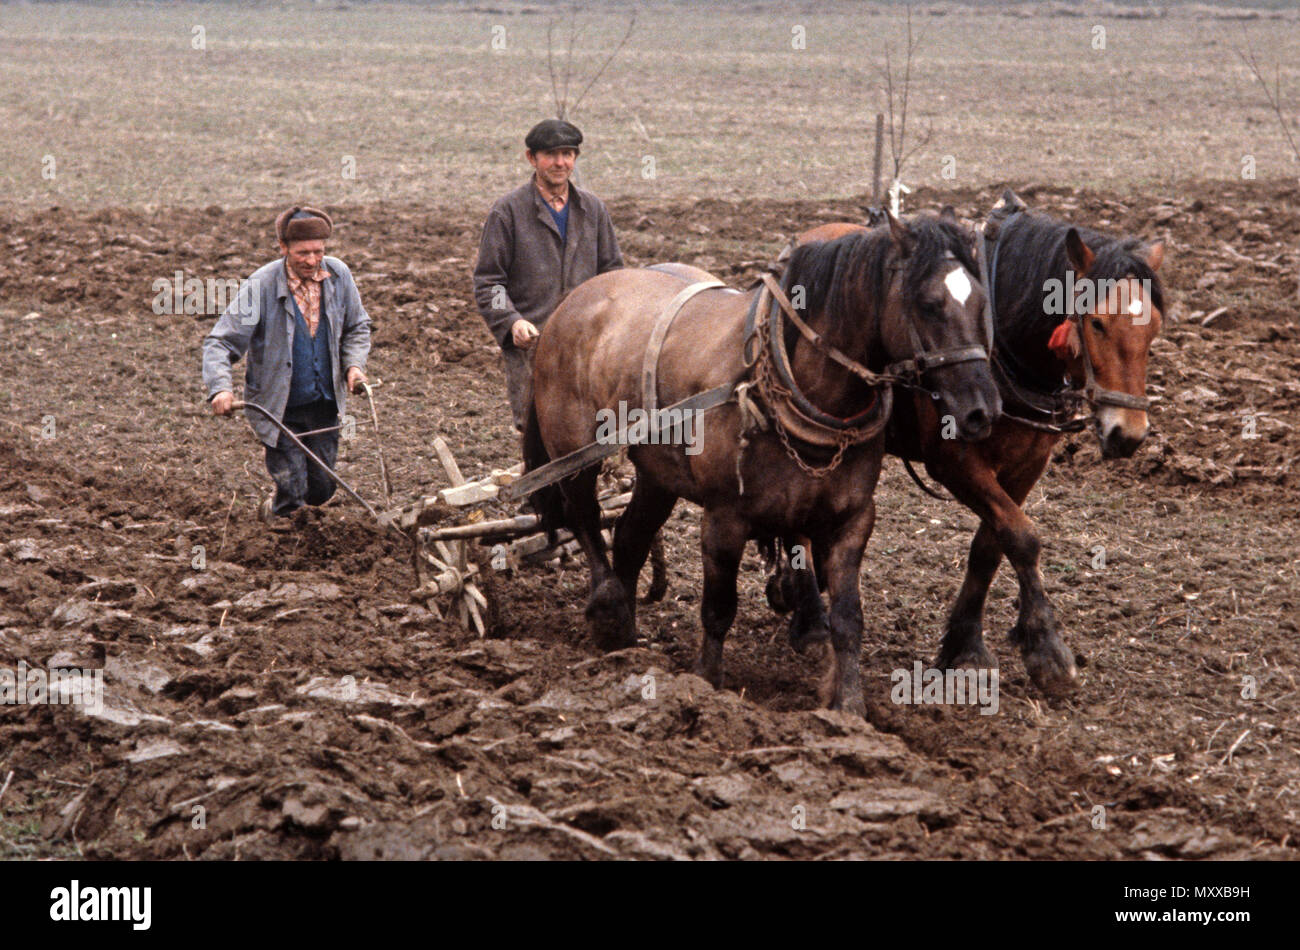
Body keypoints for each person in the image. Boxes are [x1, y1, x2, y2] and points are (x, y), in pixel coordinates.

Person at [202, 206, 371, 523]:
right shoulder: (262, 285)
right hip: (279, 408)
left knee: (321, 489)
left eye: (318, 252)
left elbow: (357, 327)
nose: (311, 260)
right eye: (302, 253)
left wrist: (354, 365)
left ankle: (293, 516)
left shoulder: (338, 276)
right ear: (283, 248)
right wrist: (219, 388)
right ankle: (278, 531)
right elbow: (221, 342)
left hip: (324, 404)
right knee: (293, 489)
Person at [472, 118, 624, 431]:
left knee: (593, 434)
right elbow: (489, 282)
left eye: (568, 154)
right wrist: (512, 321)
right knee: (539, 434)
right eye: (551, 155)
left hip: (589, 348)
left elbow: (613, 274)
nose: (560, 162)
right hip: (533, 348)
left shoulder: (593, 210)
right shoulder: (508, 212)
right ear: (532, 158)